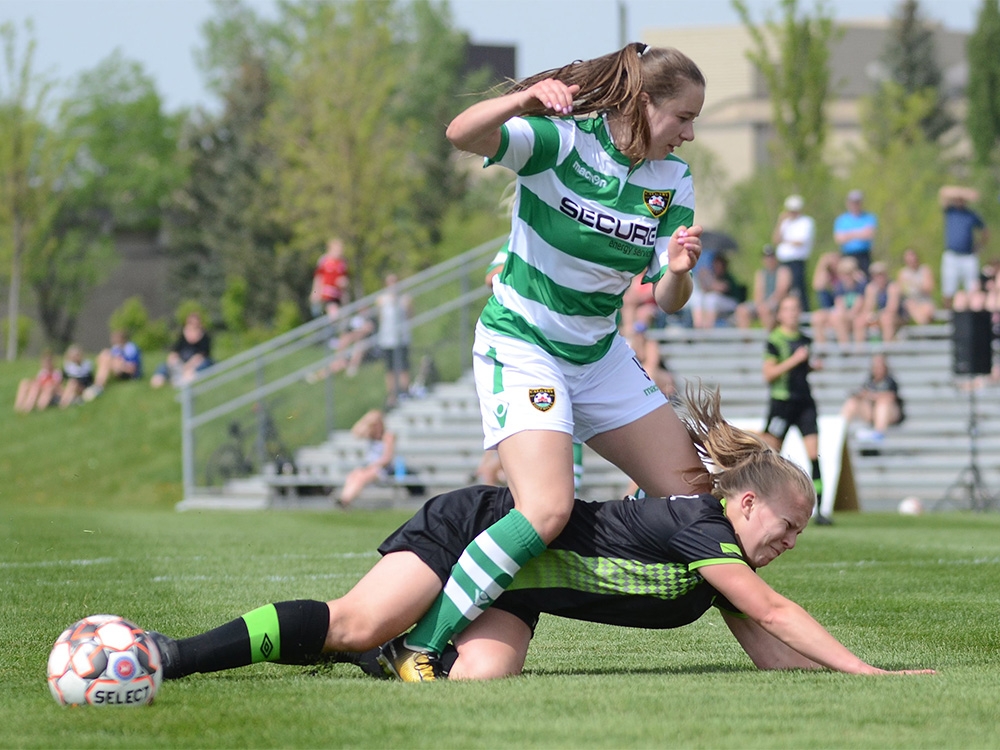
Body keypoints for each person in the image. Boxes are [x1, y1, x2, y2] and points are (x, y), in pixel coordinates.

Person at [146, 386, 934, 683]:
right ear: (749, 504)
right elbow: (775, 615)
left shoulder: (716, 562)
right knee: (355, 617)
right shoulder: (699, 520)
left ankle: (382, 651)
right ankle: (176, 655)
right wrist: (869, 674)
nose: (794, 538)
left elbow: (765, 647)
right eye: (789, 524)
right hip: (482, 531)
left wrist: (820, 680)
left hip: (518, 592)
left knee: (479, 680)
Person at [370, 43, 710, 680]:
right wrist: (523, 101)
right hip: (523, 344)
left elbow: (666, 298)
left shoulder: (673, 180)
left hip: (600, 354)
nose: (689, 133)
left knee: (697, 503)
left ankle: (759, 634)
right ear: (642, 105)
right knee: (547, 509)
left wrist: (682, 272)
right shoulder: (563, 142)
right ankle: (416, 646)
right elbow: (461, 134)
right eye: (682, 117)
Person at [761, 295, 829, 525]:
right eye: (788, 309)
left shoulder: (805, 339)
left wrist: (810, 366)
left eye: (795, 309)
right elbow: (769, 374)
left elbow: (801, 368)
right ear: (780, 314)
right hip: (782, 403)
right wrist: (795, 360)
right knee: (770, 457)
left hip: (805, 402)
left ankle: (820, 511)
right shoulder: (775, 340)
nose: (792, 313)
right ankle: (768, 505)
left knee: (814, 456)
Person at [336, 409, 399, 509]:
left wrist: (373, 465)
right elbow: (355, 432)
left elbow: (387, 458)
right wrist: (366, 420)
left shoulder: (388, 436)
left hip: (383, 469)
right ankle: (344, 498)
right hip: (369, 466)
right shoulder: (371, 435)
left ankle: (345, 500)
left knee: (362, 477)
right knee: (353, 474)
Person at [939, 185, 988, 310]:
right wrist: (962, 192)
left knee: (973, 290)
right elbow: (943, 192)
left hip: (968, 256)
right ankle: (949, 319)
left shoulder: (971, 214)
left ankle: (971, 322)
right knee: (948, 290)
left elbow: (985, 232)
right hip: (952, 256)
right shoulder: (950, 211)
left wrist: (979, 247)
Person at [840, 353, 904, 444]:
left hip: (889, 414)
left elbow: (891, 396)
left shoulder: (890, 381)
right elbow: (864, 393)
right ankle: (840, 430)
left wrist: (873, 396)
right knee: (852, 402)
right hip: (871, 412)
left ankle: (879, 433)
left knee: (883, 403)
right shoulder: (869, 381)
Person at [772, 194, 815, 312]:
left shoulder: (806, 222)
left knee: (799, 290)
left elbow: (800, 242)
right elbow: (776, 240)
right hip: (784, 261)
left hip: (797, 261)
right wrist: (780, 222)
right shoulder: (785, 223)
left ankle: (804, 315)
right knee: (783, 290)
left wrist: (785, 240)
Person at [734, 244, 792, 330]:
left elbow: (782, 291)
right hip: (763, 304)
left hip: (777, 303)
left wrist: (767, 303)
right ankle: (745, 341)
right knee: (742, 310)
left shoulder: (783, 271)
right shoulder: (761, 273)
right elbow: (758, 292)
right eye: (766, 257)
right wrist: (759, 304)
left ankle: (769, 339)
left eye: (771, 257)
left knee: (764, 310)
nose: (769, 260)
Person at [376, 274, 412, 409]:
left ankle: (405, 391)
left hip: (401, 337)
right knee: (390, 367)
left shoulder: (405, 298)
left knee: (403, 366)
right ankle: (392, 394)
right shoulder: (382, 299)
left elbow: (409, 315)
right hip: (387, 338)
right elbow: (380, 317)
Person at [150, 312, 213, 389]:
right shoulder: (183, 337)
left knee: (203, 365)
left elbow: (200, 356)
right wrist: (172, 360)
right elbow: (174, 352)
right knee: (163, 366)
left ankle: (182, 381)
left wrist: (188, 366)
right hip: (181, 363)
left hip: (195, 364)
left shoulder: (204, 338)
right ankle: (160, 379)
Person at [82, 330, 143, 401]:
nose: (112, 339)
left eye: (114, 337)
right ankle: (98, 386)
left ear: (122, 338)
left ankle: (98, 386)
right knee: (105, 355)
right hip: (119, 371)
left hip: (131, 375)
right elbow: (100, 360)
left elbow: (132, 369)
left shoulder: (131, 348)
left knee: (107, 357)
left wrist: (119, 364)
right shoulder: (116, 348)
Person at [691, 252, 744, 329]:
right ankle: (699, 326)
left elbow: (722, 287)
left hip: (733, 303)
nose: (717, 267)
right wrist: (703, 277)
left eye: (719, 264)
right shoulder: (713, 275)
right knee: (700, 298)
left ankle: (708, 328)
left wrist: (709, 282)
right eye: (715, 264)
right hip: (718, 304)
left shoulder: (728, 277)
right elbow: (704, 289)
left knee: (712, 299)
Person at [825, 255, 868, 347]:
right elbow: (839, 304)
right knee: (833, 317)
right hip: (846, 317)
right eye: (844, 273)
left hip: (858, 316)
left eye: (849, 273)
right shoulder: (839, 287)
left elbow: (859, 305)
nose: (846, 276)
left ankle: (857, 351)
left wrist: (848, 315)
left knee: (856, 321)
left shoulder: (861, 285)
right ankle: (845, 348)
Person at [833, 189, 877, 276]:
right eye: (852, 202)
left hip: (864, 255)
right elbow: (839, 239)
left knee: (865, 280)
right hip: (847, 255)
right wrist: (860, 233)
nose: (855, 205)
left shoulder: (869, 217)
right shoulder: (841, 220)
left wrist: (848, 234)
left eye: (857, 202)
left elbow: (869, 235)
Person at [858, 262, 902, 344]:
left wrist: (876, 315)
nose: (879, 278)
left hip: (897, 317)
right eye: (876, 275)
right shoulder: (871, 288)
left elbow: (892, 309)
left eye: (881, 275)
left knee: (886, 319)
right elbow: (867, 308)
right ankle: (859, 351)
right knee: (860, 320)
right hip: (879, 316)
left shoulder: (892, 287)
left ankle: (887, 349)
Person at [309, 237, 350, 321]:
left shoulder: (343, 263)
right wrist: (315, 293)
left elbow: (346, 279)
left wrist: (345, 284)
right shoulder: (324, 261)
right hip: (327, 295)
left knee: (342, 317)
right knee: (333, 315)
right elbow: (318, 278)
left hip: (338, 295)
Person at [896, 248, 937, 326]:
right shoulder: (902, 273)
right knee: (910, 304)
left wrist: (915, 284)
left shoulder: (925, 270)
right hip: (910, 303)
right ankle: (924, 328)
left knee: (927, 310)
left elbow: (930, 288)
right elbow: (900, 291)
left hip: (924, 300)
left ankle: (923, 329)